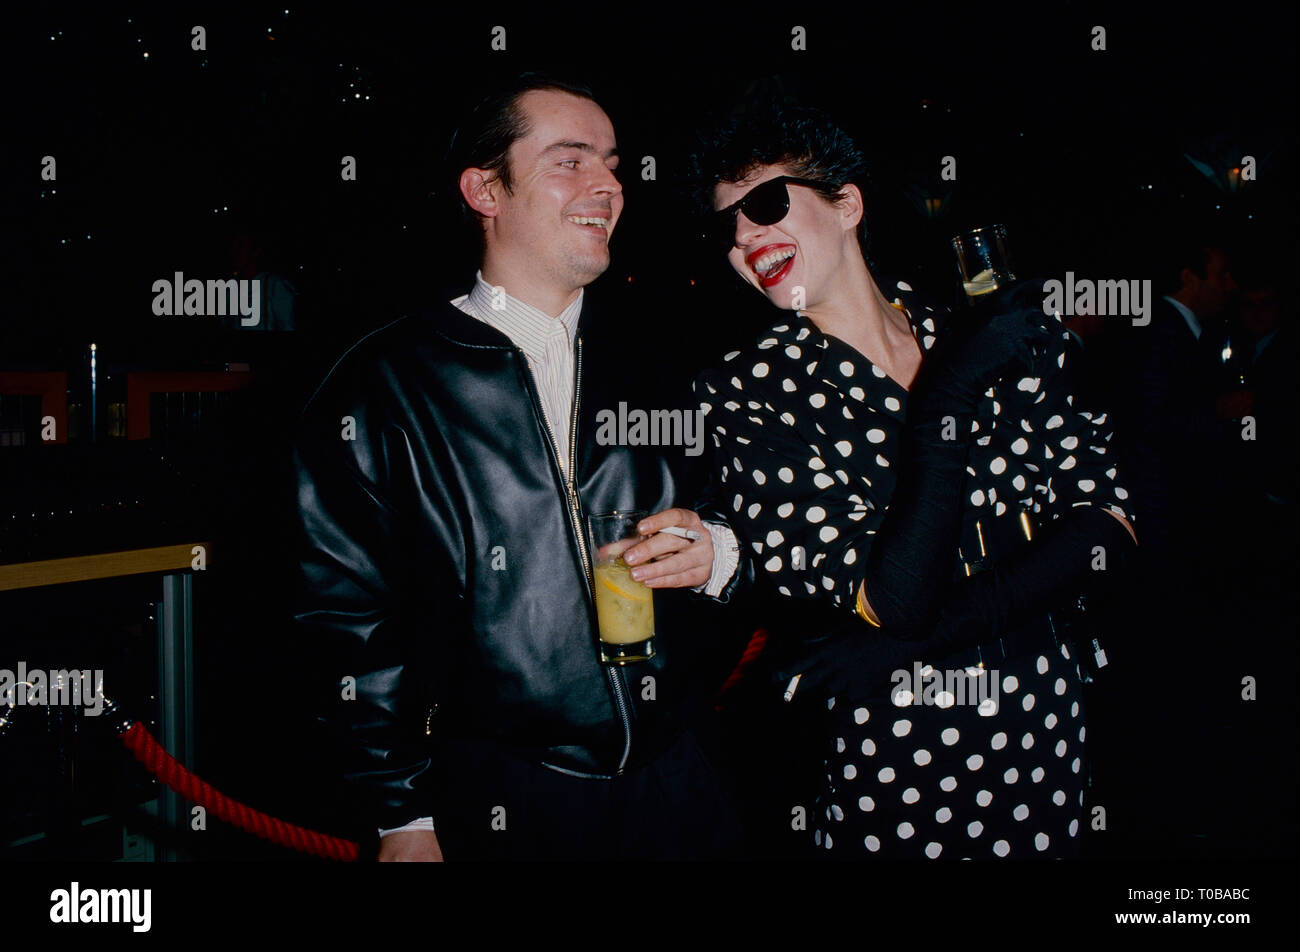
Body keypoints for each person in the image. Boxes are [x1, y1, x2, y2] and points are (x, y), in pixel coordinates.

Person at [291, 73, 744, 861]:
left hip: (683, 778)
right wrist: (402, 814)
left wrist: (723, 554)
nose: (608, 185)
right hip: (500, 798)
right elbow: (344, 617)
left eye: (613, 163)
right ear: (484, 190)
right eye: (571, 161)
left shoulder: (667, 363)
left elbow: (754, 517)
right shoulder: (384, 384)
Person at [688, 97, 1138, 858]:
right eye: (727, 223)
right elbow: (893, 598)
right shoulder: (746, 393)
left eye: (766, 202)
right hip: (902, 755)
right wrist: (948, 398)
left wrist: (919, 639)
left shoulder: (982, 328)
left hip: (1049, 727)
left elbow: (1108, 525)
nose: (744, 236)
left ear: (846, 203)